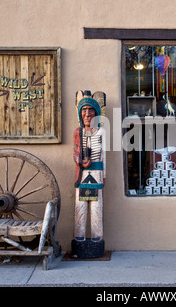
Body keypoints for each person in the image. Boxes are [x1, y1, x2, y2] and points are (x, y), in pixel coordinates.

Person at [73, 90, 106, 245]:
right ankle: (79, 235)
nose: (87, 114)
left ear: (96, 113)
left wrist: (104, 176)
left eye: (91, 110)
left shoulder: (101, 132)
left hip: (97, 172)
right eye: (84, 111)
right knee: (81, 206)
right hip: (83, 173)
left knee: (96, 206)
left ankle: (96, 236)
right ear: (80, 114)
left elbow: (104, 155)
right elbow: (74, 152)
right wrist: (80, 161)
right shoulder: (78, 132)